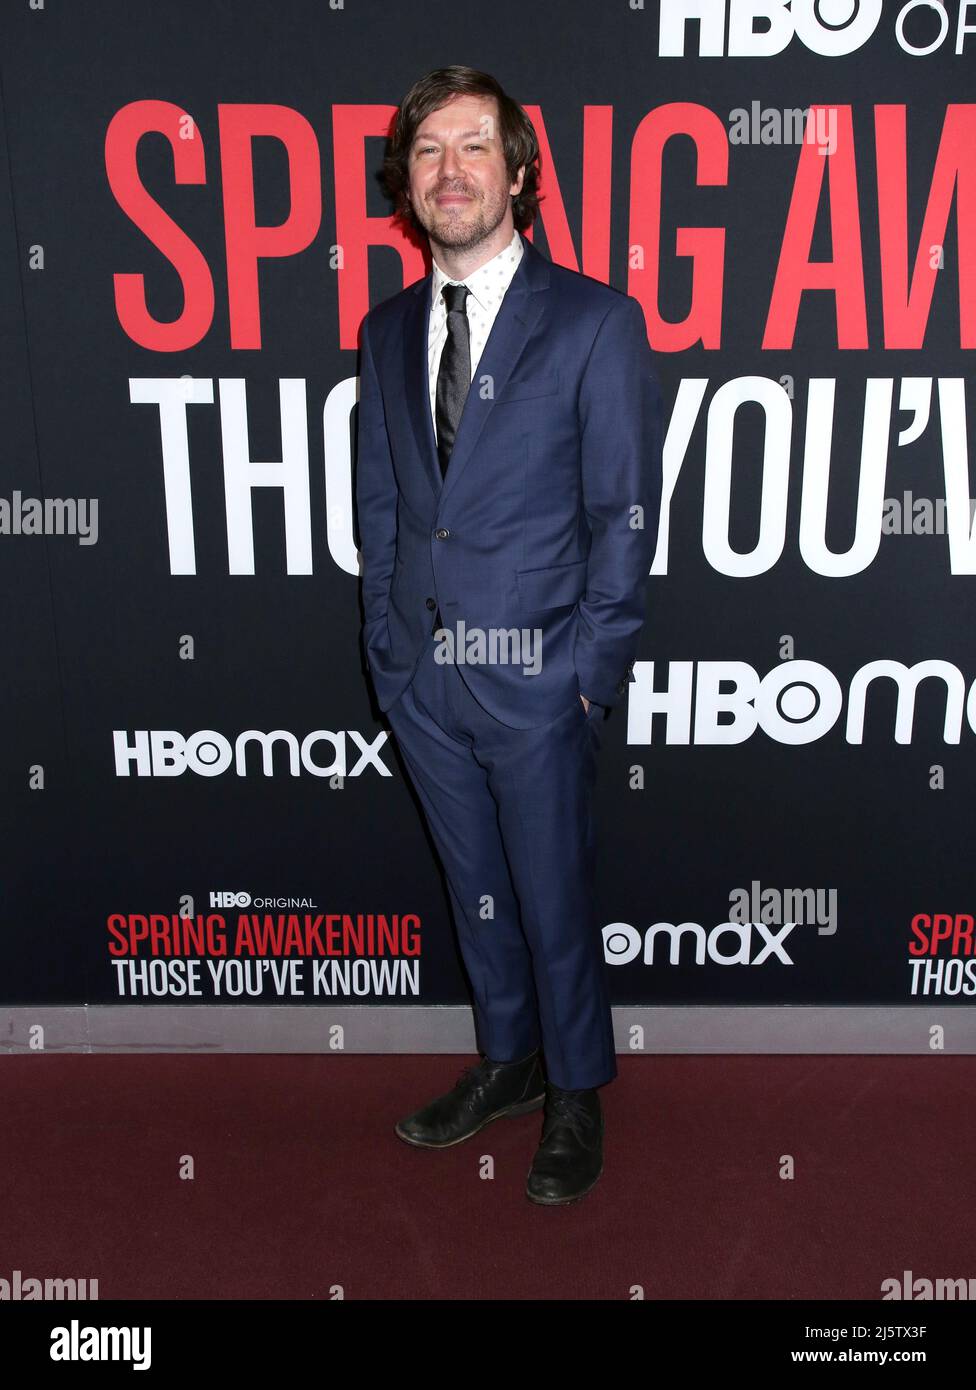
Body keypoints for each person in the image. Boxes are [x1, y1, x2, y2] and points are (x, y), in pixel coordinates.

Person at [355, 65, 662, 1205]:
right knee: (473, 881)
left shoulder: (593, 321)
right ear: (408, 181)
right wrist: (387, 649)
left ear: (519, 171)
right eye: (429, 150)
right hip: (422, 677)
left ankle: (577, 1087)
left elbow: (620, 512)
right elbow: (382, 501)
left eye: (473, 146)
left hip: (539, 677)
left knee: (550, 889)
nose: (450, 171)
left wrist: (587, 673)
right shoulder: (384, 329)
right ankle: (509, 1060)